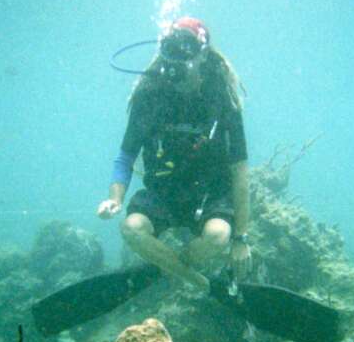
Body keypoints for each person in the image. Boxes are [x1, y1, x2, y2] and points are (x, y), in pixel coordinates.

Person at [97, 17, 251, 293]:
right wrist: (114, 199)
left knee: (218, 236)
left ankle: (168, 266)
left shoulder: (222, 98)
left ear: (203, 54)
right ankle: (198, 282)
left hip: (209, 193)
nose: (176, 61)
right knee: (131, 228)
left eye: (186, 50)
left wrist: (240, 239)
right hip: (163, 191)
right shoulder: (149, 95)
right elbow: (125, 157)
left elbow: (239, 169)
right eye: (170, 50)